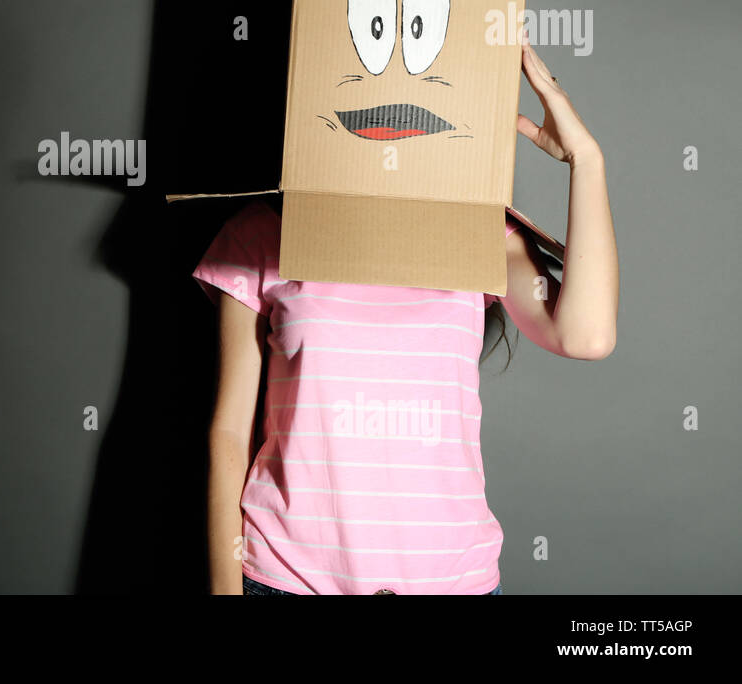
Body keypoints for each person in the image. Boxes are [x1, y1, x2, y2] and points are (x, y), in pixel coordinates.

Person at [196, 35, 619, 595]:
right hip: (287, 580)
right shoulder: (261, 234)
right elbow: (229, 434)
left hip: (452, 582)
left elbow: (586, 335)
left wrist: (586, 162)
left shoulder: (483, 236)